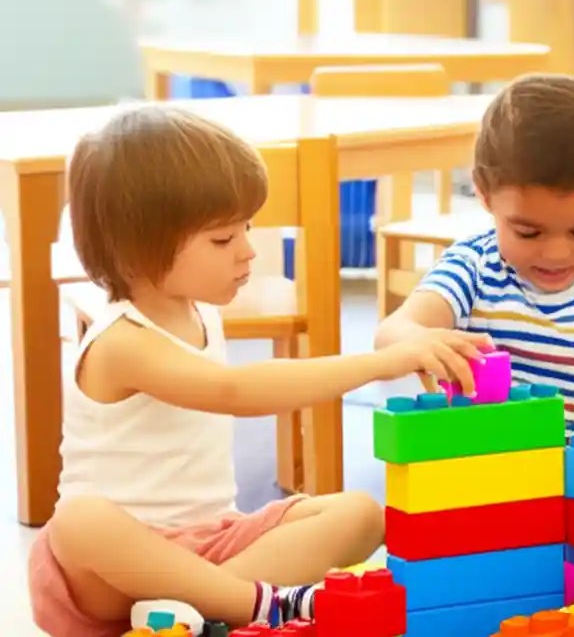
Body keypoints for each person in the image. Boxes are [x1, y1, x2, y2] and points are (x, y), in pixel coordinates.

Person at [28, 105, 492, 636]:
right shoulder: (121, 342)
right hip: (115, 569)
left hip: (212, 541)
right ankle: (252, 604)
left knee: (362, 513)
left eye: (245, 228)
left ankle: (188, 615)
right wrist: (382, 361)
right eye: (223, 240)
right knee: (80, 521)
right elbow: (235, 390)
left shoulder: (201, 311)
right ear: (138, 248)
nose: (248, 251)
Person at [375, 73, 574, 431]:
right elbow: (392, 332)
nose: (557, 253)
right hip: (489, 471)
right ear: (483, 193)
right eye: (528, 232)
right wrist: (422, 340)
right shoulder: (473, 268)